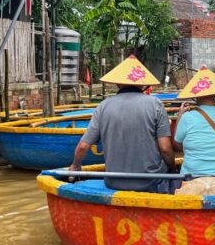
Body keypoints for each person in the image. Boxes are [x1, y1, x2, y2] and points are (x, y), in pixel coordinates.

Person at [69, 55, 176, 193]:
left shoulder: (103, 106)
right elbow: (166, 148)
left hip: (113, 182)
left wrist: (75, 166)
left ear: (118, 84)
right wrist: (173, 170)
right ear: (143, 84)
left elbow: (83, 146)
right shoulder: (155, 104)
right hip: (150, 182)